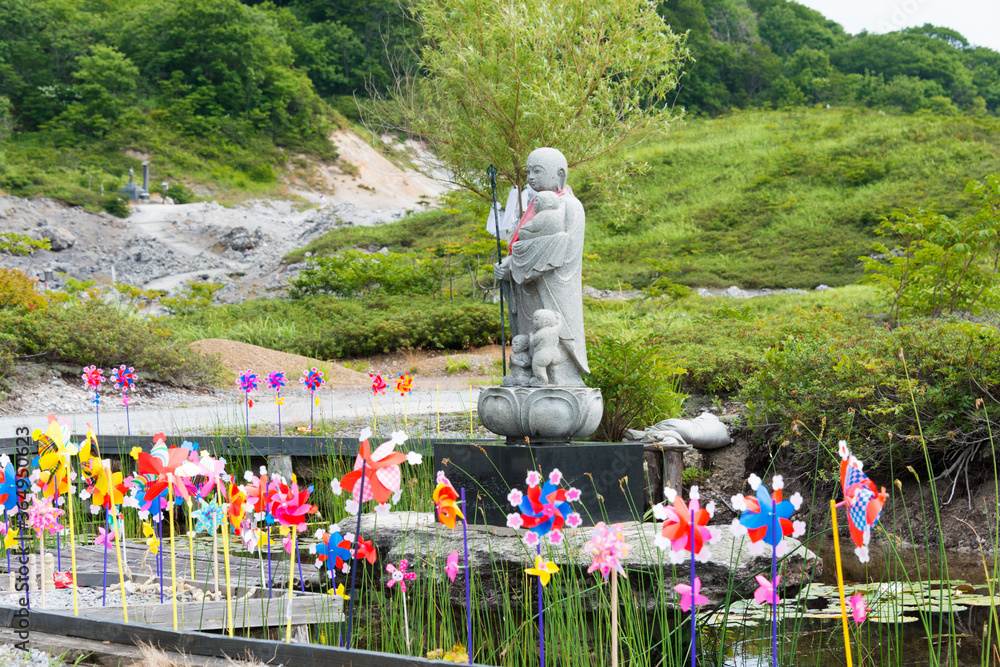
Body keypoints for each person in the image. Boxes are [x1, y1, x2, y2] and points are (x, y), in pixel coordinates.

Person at [494, 147, 588, 385]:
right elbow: (523, 242)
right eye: (528, 172)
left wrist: (516, 263)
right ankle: (524, 374)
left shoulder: (570, 206)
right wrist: (508, 265)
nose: (530, 177)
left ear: (560, 174)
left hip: (554, 289)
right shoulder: (536, 205)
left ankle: (556, 379)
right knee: (527, 334)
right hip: (528, 286)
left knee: (549, 335)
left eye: (536, 171)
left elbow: (561, 247)